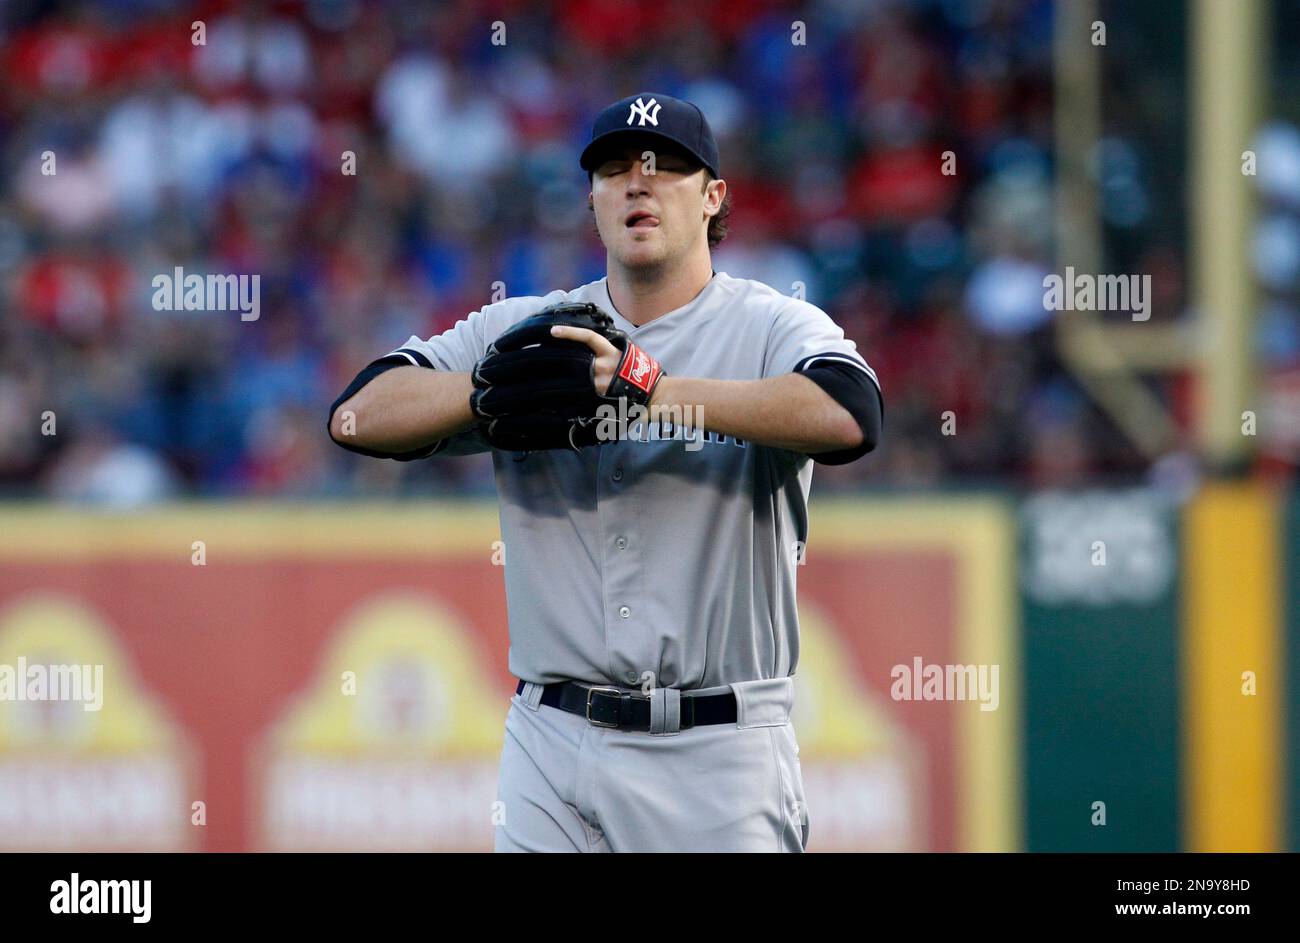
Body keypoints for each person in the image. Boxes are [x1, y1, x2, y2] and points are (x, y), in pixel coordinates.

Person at [327, 93, 883, 852]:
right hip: (551, 744)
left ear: (714, 196)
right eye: (614, 170)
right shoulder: (533, 332)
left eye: (665, 168)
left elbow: (852, 414)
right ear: (591, 201)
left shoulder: (770, 323)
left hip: (717, 751)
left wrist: (654, 389)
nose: (638, 184)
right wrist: (485, 392)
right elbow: (355, 415)